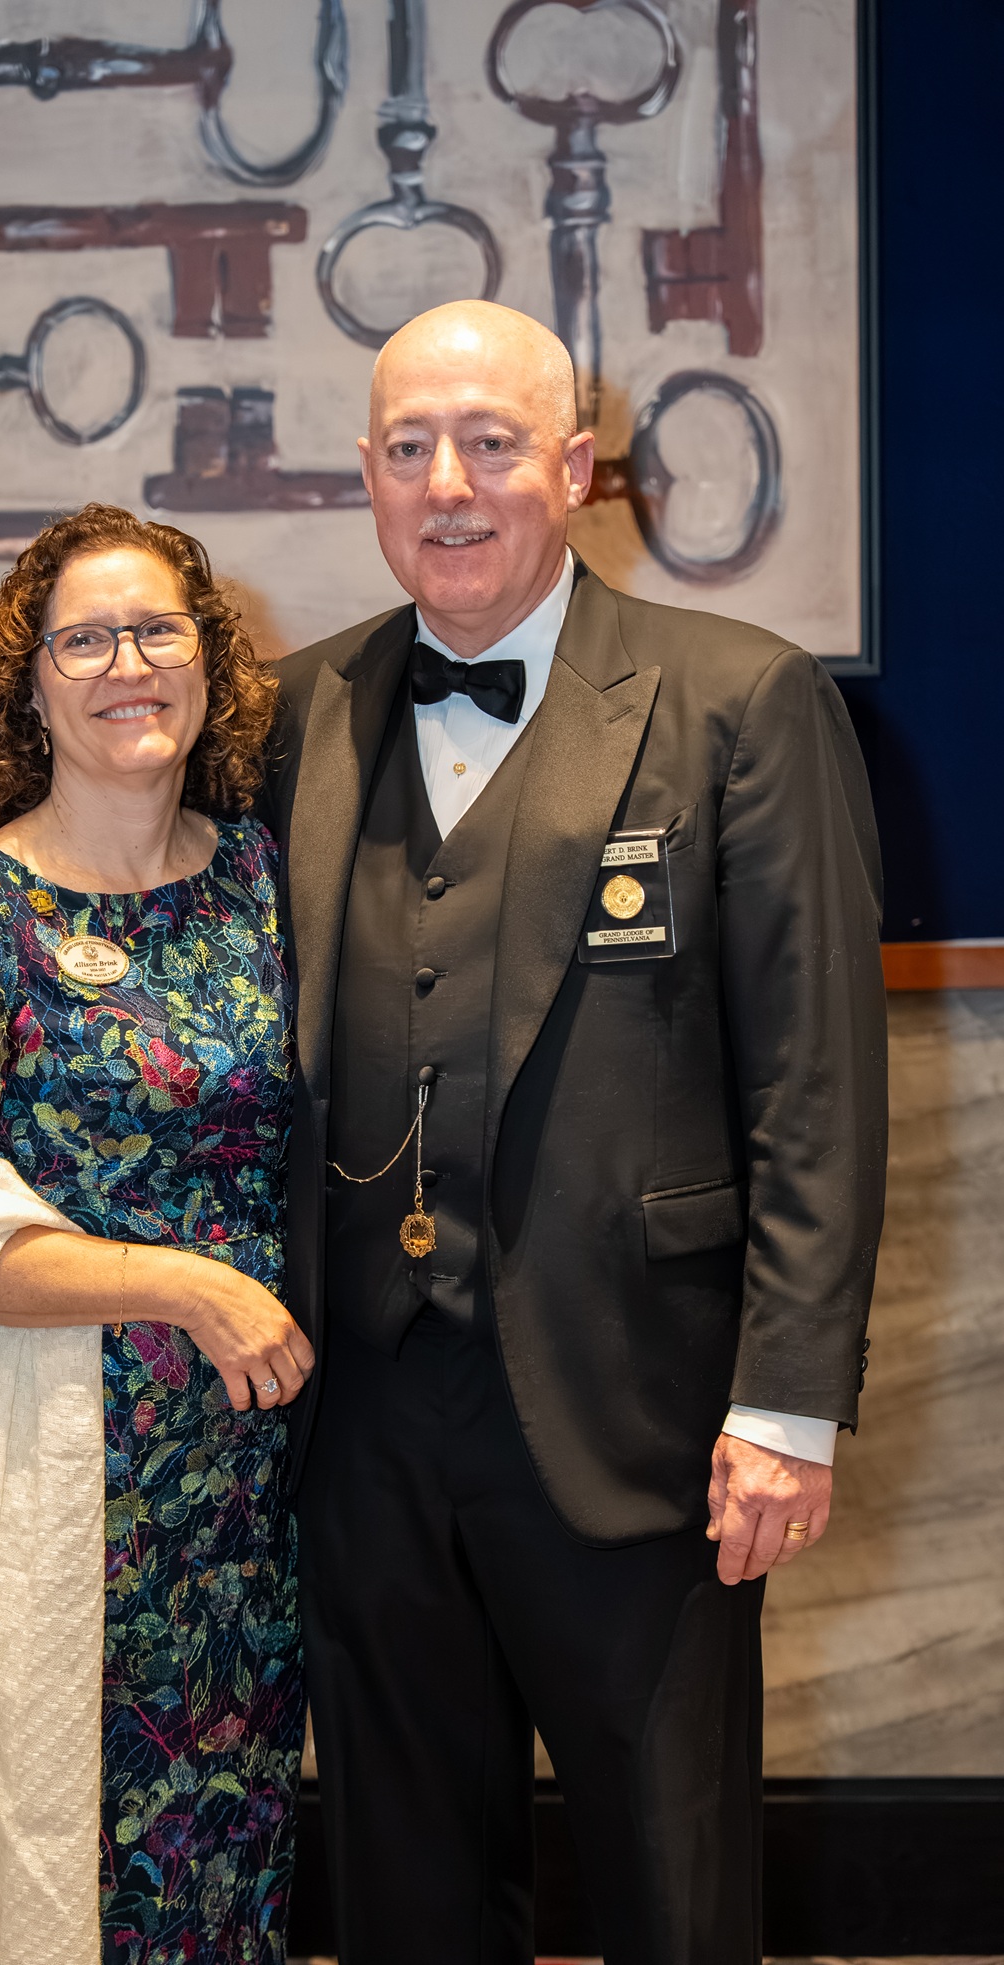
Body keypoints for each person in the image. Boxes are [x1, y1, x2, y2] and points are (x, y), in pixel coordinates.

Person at [260, 302, 887, 1963]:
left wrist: (786, 1404)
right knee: (404, 1897)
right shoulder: (294, 712)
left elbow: (814, 1083)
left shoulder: (739, 701)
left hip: (646, 1424)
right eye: (408, 449)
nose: (447, 486)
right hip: (367, 1427)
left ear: (576, 465)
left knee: (671, 1899)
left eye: (488, 443)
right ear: (368, 476)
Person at [0, 504, 313, 1965]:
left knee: (230, 1874)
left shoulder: (262, 879)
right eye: (86, 637)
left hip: (254, 1495)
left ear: (209, 661)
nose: (129, 662)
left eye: (160, 629)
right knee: (63, 1872)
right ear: (31, 681)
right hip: (68, 1481)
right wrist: (181, 1286)